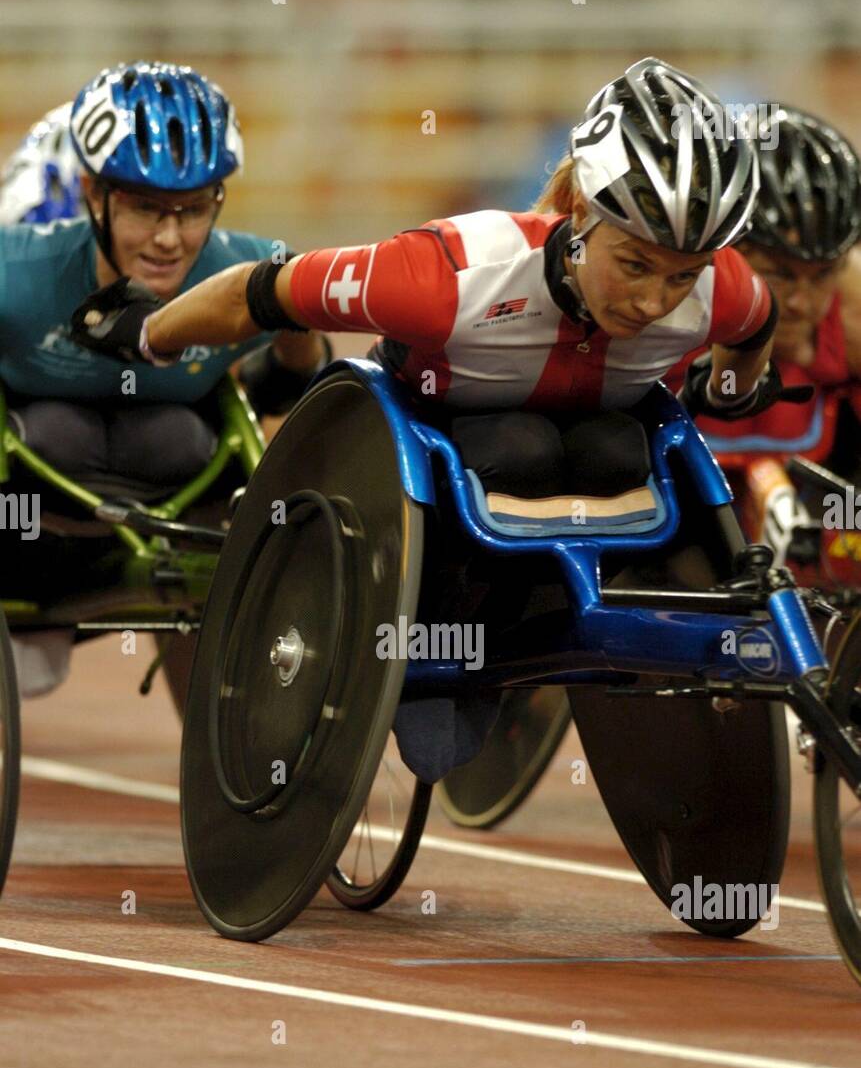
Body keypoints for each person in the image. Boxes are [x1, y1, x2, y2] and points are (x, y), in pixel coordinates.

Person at [70, 57, 807, 777]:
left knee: (617, 451)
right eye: (635, 266)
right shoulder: (444, 276)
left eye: (681, 277)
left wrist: (733, 390)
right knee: (520, 448)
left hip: (590, 451)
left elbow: (754, 325)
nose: (653, 303)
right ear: (581, 211)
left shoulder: (721, 286)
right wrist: (148, 334)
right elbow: (261, 292)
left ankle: (520, 611)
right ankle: (445, 615)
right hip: (443, 447)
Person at [1, 61, 329, 695]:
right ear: (94, 195)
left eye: (194, 209)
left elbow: (300, 377)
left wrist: (295, 341)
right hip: (29, 525)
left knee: (180, 435)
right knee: (55, 431)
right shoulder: (19, 273)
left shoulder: (248, 267)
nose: (171, 239)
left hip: (181, 510)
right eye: (146, 209)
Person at [665, 106, 861, 571]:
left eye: (824, 275)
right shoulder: (659, 300)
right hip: (676, 509)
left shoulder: (852, 312)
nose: (802, 303)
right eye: (780, 274)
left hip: (817, 493)